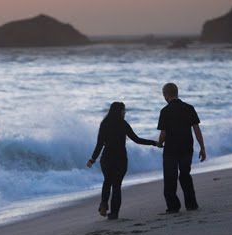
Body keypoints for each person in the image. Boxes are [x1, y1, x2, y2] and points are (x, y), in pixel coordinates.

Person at [87, 102, 158, 220]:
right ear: (119, 111)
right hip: (120, 158)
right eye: (123, 110)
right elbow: (137, 139)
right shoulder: (123, 124)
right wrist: (154, 143)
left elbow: (99, 144)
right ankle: (114, 213)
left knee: (107, 181)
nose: (124, 113)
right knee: (116, 186)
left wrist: (92, 159)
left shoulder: (104, 124)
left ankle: (104, 203)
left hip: (107, 158)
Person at [156, 83, 206, 213]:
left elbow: (163, 133)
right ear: (177, 93)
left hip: (171, 150)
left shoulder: (165, 111)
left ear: (166, 95)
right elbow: (197, 129)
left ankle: (173, 207)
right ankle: (191, 204)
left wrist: (160, 143)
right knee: (185, 176)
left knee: (170, 179)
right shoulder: (189, 108)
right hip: (186, 148)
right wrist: (202, 147)